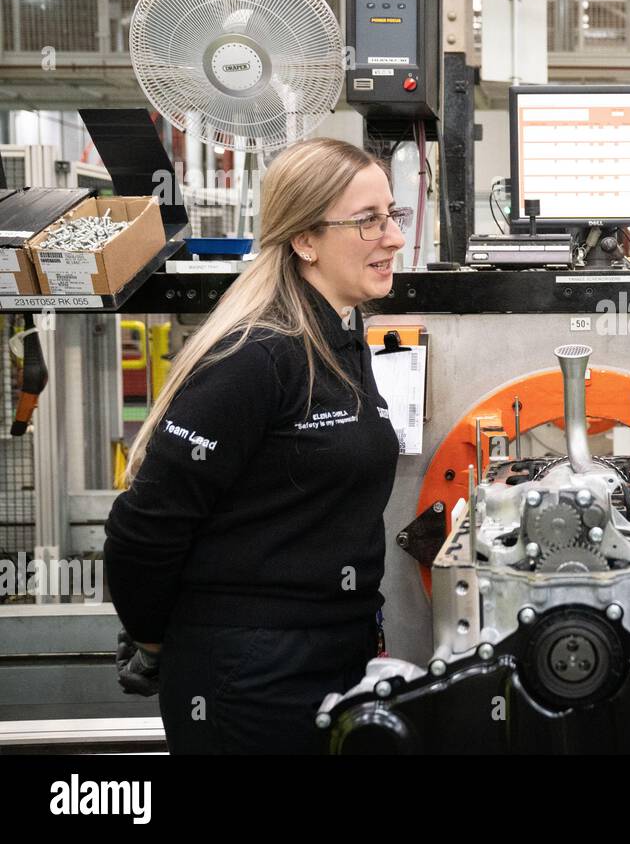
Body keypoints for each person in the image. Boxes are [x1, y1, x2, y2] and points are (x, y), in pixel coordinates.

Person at [105, 138, 407, 754]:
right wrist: (153, 640)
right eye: (368, 221)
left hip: (332, 657)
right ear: (305, 241)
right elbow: (144, 527)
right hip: (248, 678)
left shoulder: (340, 342)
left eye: (392, 216)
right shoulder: (257, 356)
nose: (394, 238)